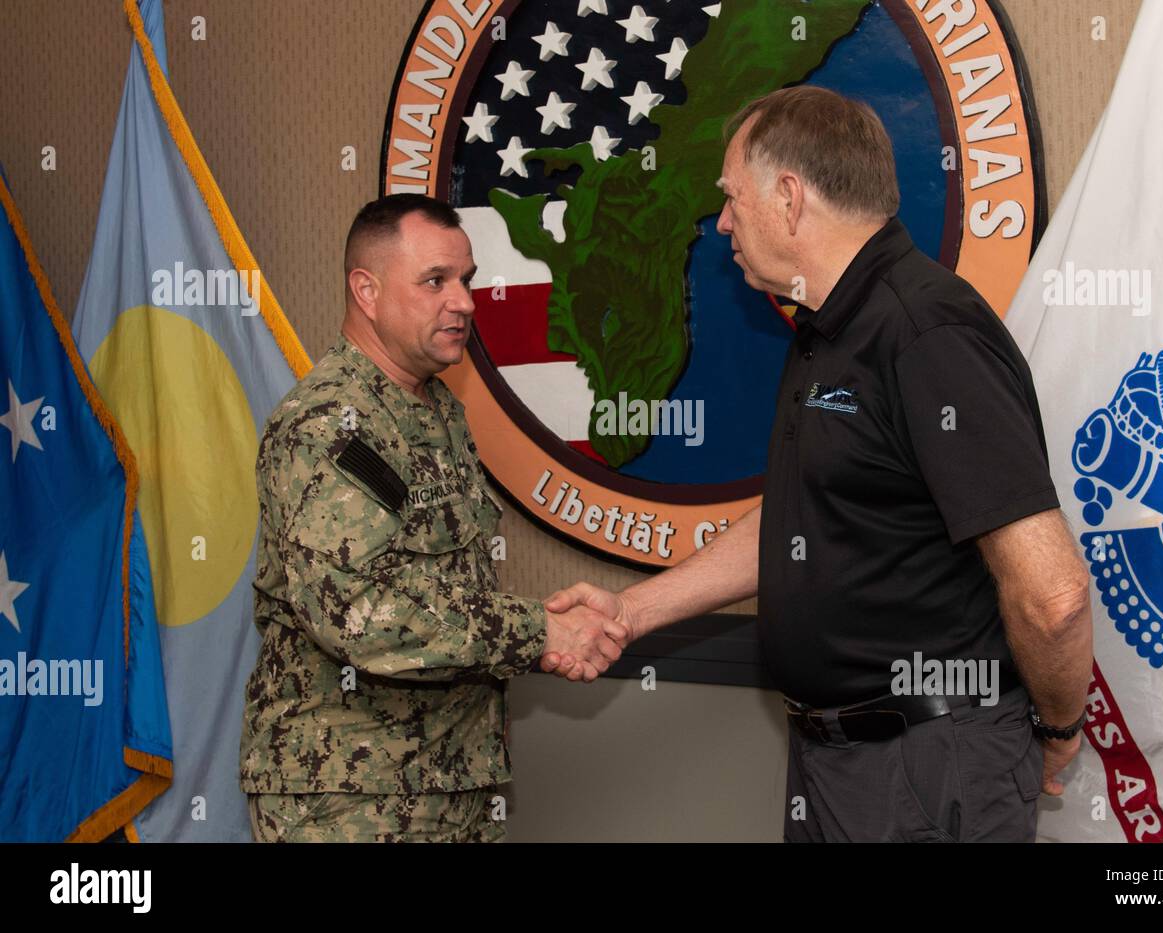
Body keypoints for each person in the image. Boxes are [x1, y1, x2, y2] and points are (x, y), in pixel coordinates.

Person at [543, 87, 1094, 843]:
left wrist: (1059, 724)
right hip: (835, 762)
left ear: (790, 196)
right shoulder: (827, 328)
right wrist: (632, 613)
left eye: (732, 199)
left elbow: (1054, 594)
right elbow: (804, 518)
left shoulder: (925, 330)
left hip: (929, 765)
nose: (724, 223)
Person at [240, 194, 627, 842]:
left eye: (467, 279)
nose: (465, 301)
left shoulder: (439, 411)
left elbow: (450, 587)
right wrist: (541, 632)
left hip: (451, 781)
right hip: (348, 797)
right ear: (366, 289)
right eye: (435, 281)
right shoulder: (326, 426)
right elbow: (358, 615)